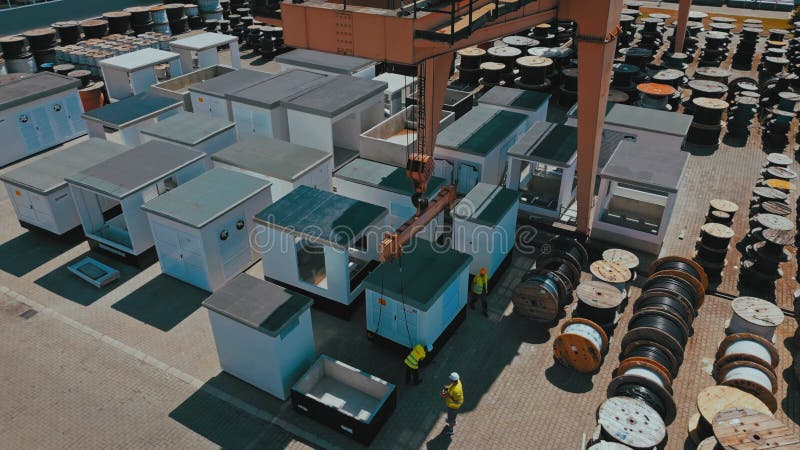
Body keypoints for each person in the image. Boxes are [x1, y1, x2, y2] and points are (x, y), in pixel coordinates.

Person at [441, 372, 463, 436]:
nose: (450, 380)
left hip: (453, 406)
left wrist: (448, 395)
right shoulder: (458, 381)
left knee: (451, 417)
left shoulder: (456, 390)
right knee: (451, 415)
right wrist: (448, 387)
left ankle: (450, 430)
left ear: (453, 380)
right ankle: (452, 419)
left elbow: (456, 401)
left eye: (451, 380)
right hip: (451, 405)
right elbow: (452, 386)